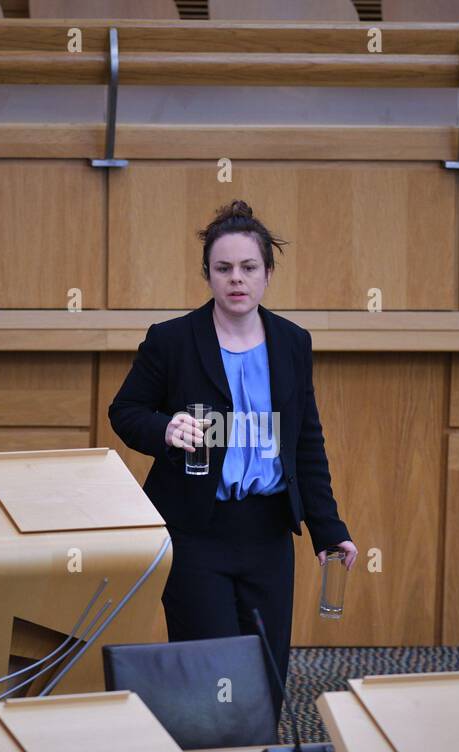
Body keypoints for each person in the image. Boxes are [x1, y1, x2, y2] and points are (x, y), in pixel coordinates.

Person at [108, 200, 356, 688]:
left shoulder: (292, 342)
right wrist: (165, 430)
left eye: (248, 268)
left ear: (267, 274)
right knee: (211, 671)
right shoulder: (172, 340)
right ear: (208, 274)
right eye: (223, 268)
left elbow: (305, 442)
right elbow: (126, 412)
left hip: (267, 534)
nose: (236, 279)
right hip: (196, 533)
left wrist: (329, 528)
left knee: (266, 673)